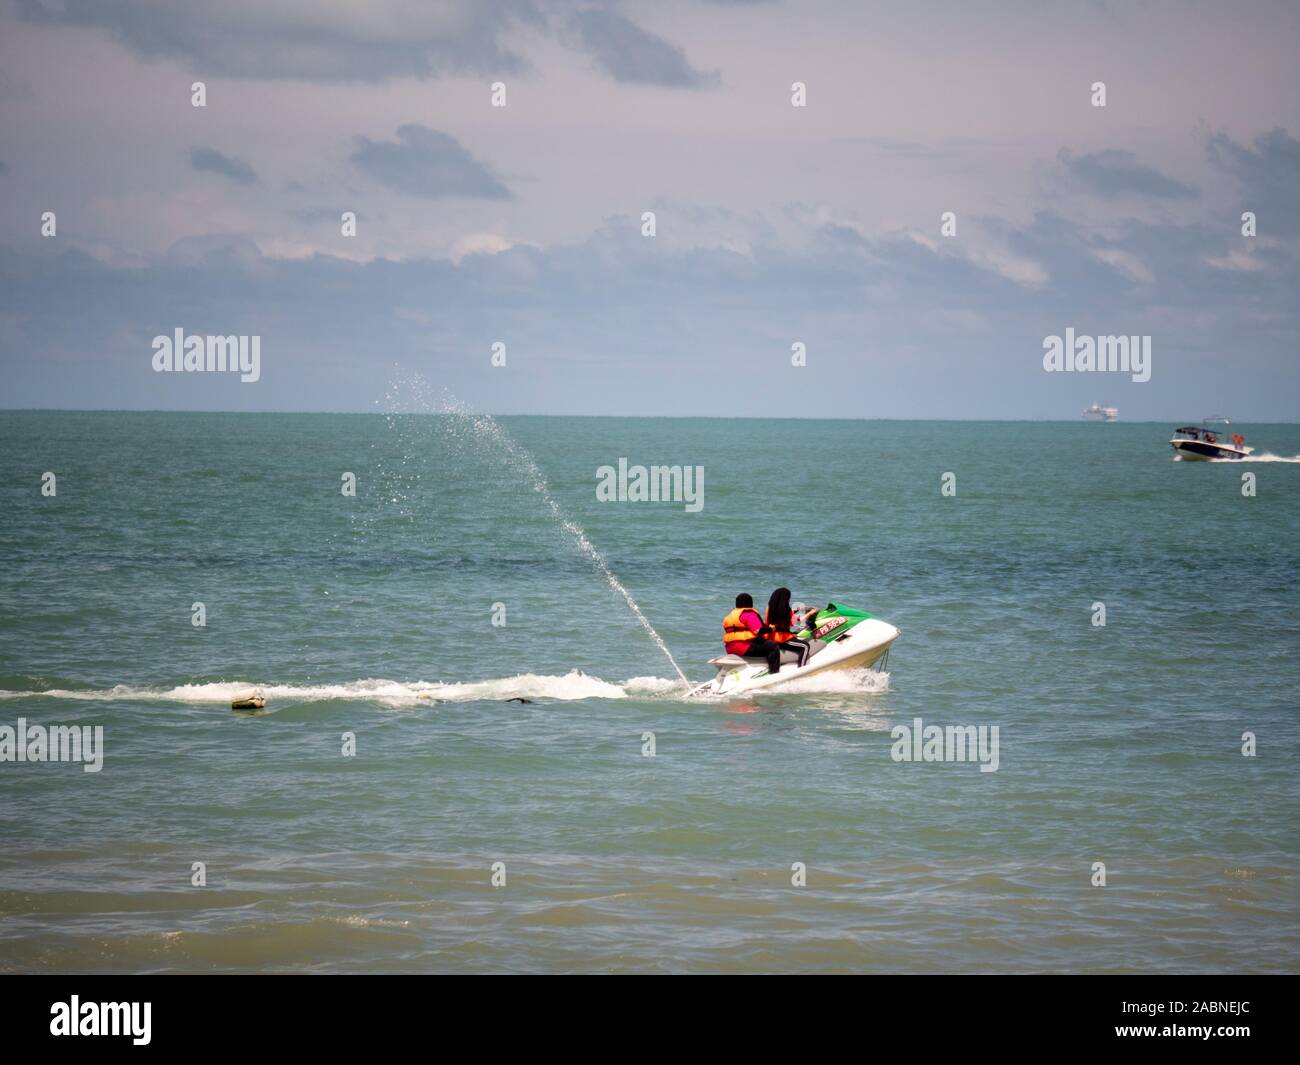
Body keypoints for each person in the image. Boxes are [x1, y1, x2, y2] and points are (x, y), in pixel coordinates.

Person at [721, 593, 786, 674]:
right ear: (750, 603)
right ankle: (774, 672)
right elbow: (758, 631)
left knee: (762, 643)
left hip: (730, 648)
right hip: (744, 648)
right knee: (773, 646)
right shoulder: (749, 614)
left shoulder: (729, 616)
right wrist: (771, 629)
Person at [763, 587, 811, 669]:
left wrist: (796, 611)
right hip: (782, 640)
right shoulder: (785, 611)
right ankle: (801, 669)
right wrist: (810, 613)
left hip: (770, 638)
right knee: (805, 646)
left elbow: (767, 622)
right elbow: (794, 621)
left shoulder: (769, 609)